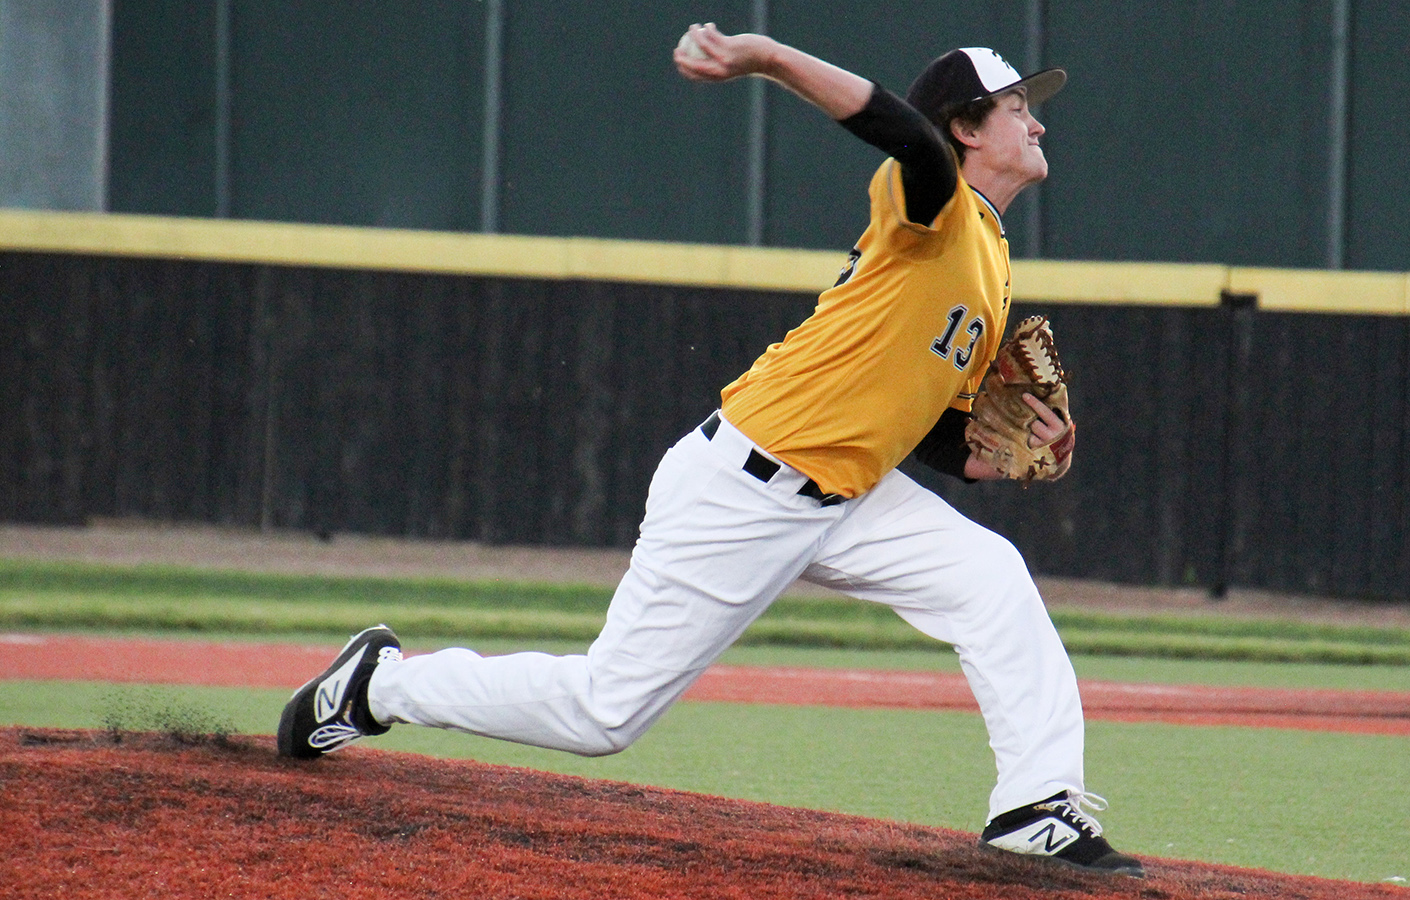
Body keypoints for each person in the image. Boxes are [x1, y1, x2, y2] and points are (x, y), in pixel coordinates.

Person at [277, 24, 1142, 878]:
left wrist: (996, 454)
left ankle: (1035, 808)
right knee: (603, 715)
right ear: (964, 126)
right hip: (746, 484)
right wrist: (764, 56)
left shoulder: (988, 258)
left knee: (991, 577)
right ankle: (377, 687)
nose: (1037, 123)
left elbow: (934, 429)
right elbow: (902, 133)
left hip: (849, 494)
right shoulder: (935, 207)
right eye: (1018, 106)